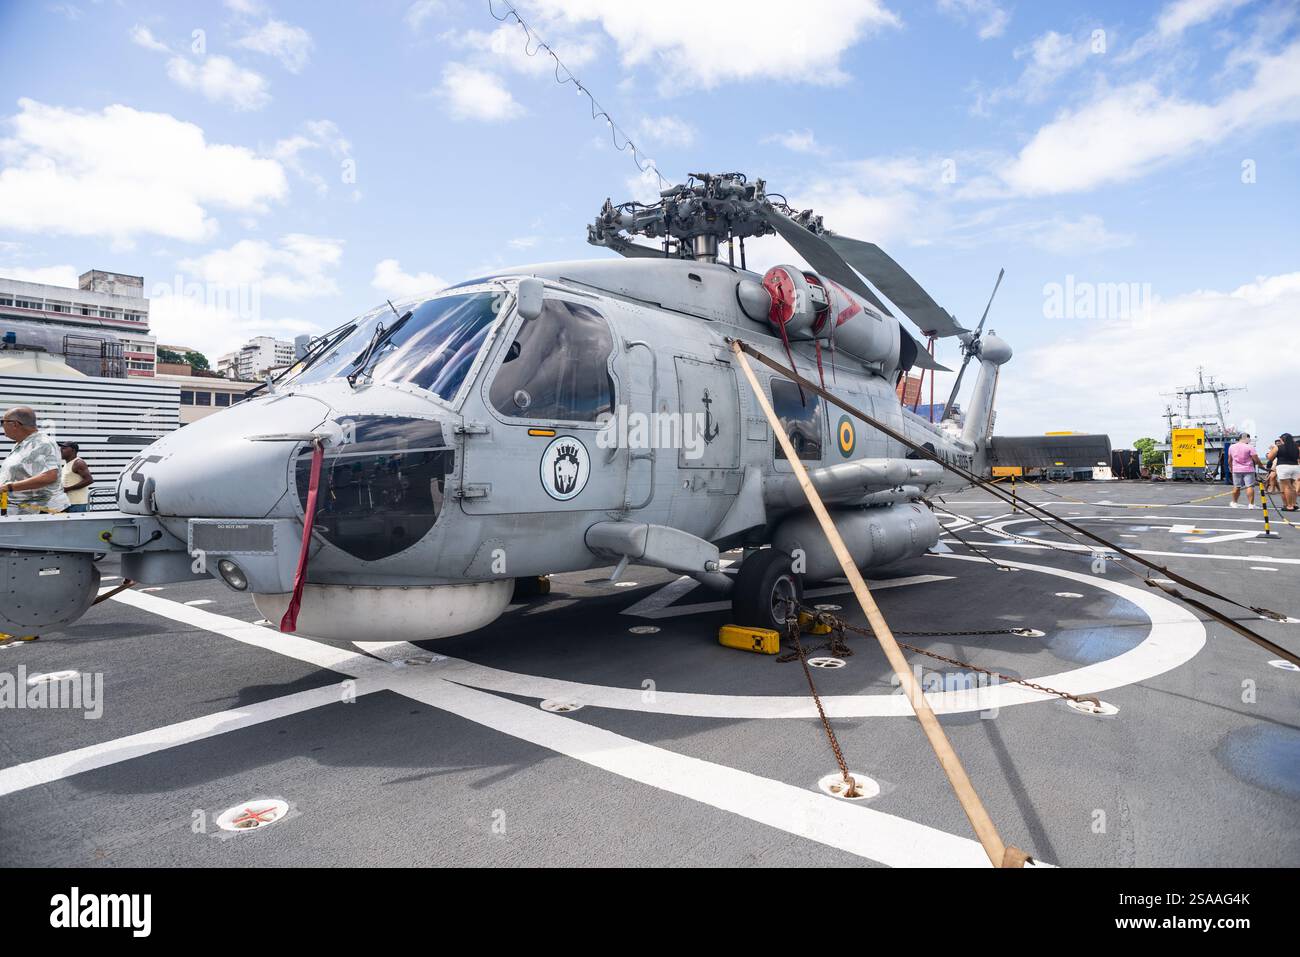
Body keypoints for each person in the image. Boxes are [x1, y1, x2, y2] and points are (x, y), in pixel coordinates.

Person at [1, 407, 70, 515]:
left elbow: (50, 476)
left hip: (43, 512)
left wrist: (8, 487)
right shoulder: (21, 444)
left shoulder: (42, 442)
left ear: (14, 424)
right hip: (24, 511)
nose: (2, 426)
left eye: (2, 422)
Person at [1226, 432, 1265, 508]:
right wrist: (1262, 467)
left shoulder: (1232, 447)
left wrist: (1231, 468)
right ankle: (1251, 504)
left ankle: (1234, 503)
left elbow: (1229, 459)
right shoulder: (1250, 447)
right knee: (1249, 486)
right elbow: (1256, 459)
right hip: (1248, 469)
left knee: (1236, 486)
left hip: (1236, 469)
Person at [59, 442, 93, 512]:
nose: (61, 450)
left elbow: (89, 480)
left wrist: (68, 489)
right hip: (67, 503)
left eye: (64, 448)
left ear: (73, 450)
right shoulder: (67, 464)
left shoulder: (78, 463)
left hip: (77, 504)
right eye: (61, 448)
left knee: (76, 523)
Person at [1273, 432, 1300, 511]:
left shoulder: (1278, 447)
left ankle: (1289, 506)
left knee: (1287, 487)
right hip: (1295, 467)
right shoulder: (1296, 448)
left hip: (1283, 467)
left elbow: (1270, 457)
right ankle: (1294, 504)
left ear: (1282, 439)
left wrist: (1272, 450)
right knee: (1292, 486)